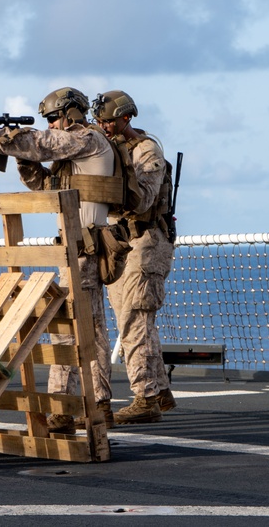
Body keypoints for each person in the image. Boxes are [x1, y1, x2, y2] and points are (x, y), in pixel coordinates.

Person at [0, 87, 116, 433]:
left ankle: (66, 408)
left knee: (72, 329)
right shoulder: (74, 156)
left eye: (54, 117)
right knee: (88, 327)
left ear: (71, 113)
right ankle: (95, 404)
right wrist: (15, 151)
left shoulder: (87, 139)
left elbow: (41, 144)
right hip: (74, 248)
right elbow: (42, 185)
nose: (51, 124)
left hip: (83, 248)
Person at [92, 90, 176, 424]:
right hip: (121, 241)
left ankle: (145, 398)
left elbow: (142, 200)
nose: (103, 126)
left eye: (109, 121)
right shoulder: (108, 148)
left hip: (145, 241)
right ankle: (159, 391)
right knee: (132, 319)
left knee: (135, 320)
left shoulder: (146, 150)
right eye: (100, 121)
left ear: (126, 118)